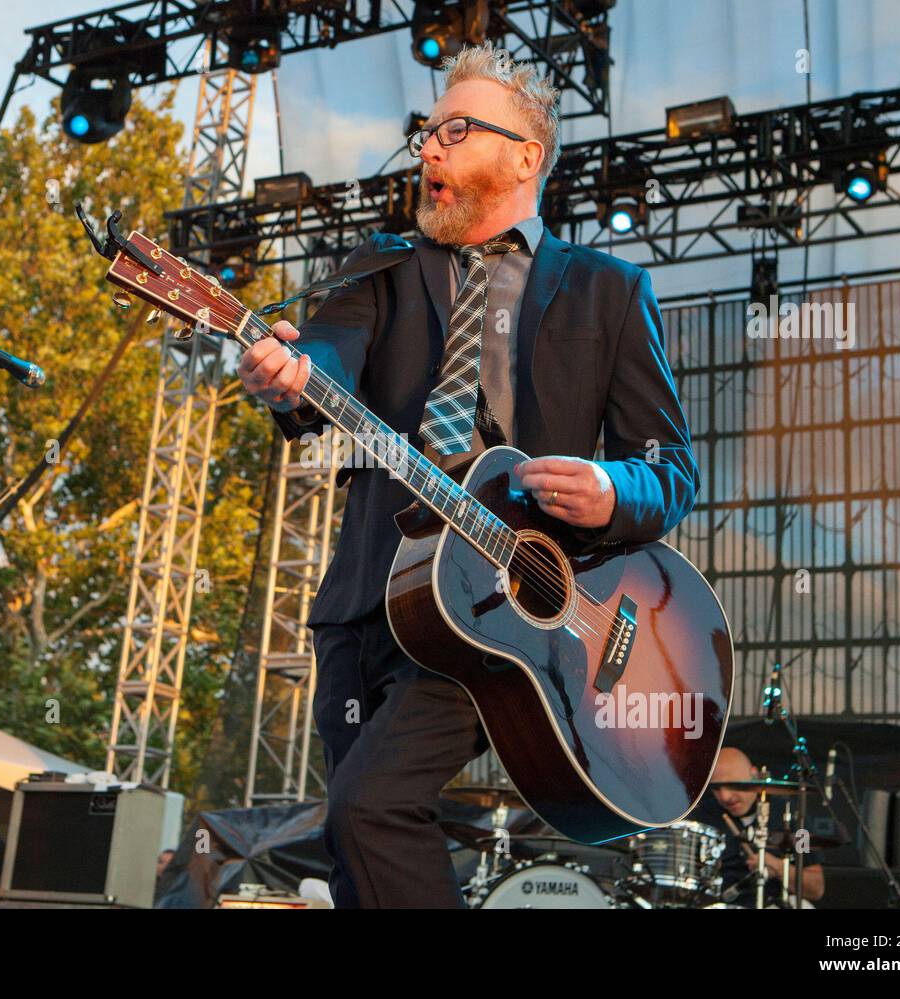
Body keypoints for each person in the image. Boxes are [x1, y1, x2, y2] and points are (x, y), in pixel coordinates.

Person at [237, 43, 698, 907]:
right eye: (425, 132)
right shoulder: (381, 267)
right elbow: (327, 360)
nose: (428, 149)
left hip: (499, 615)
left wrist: (609, 489)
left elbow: (669, 468)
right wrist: (294, 375)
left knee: (369, 807)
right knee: (352, 842)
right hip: (366, 597)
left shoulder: (610, 290)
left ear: (525, 155)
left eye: (455, 129)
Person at [697, 747, 826, 906]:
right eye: (716, 788)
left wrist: (778, 867)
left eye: (732, 785)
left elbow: (816, 887)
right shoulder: (701, 817)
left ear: (754, 774)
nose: (725, 796)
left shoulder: (790, 813)